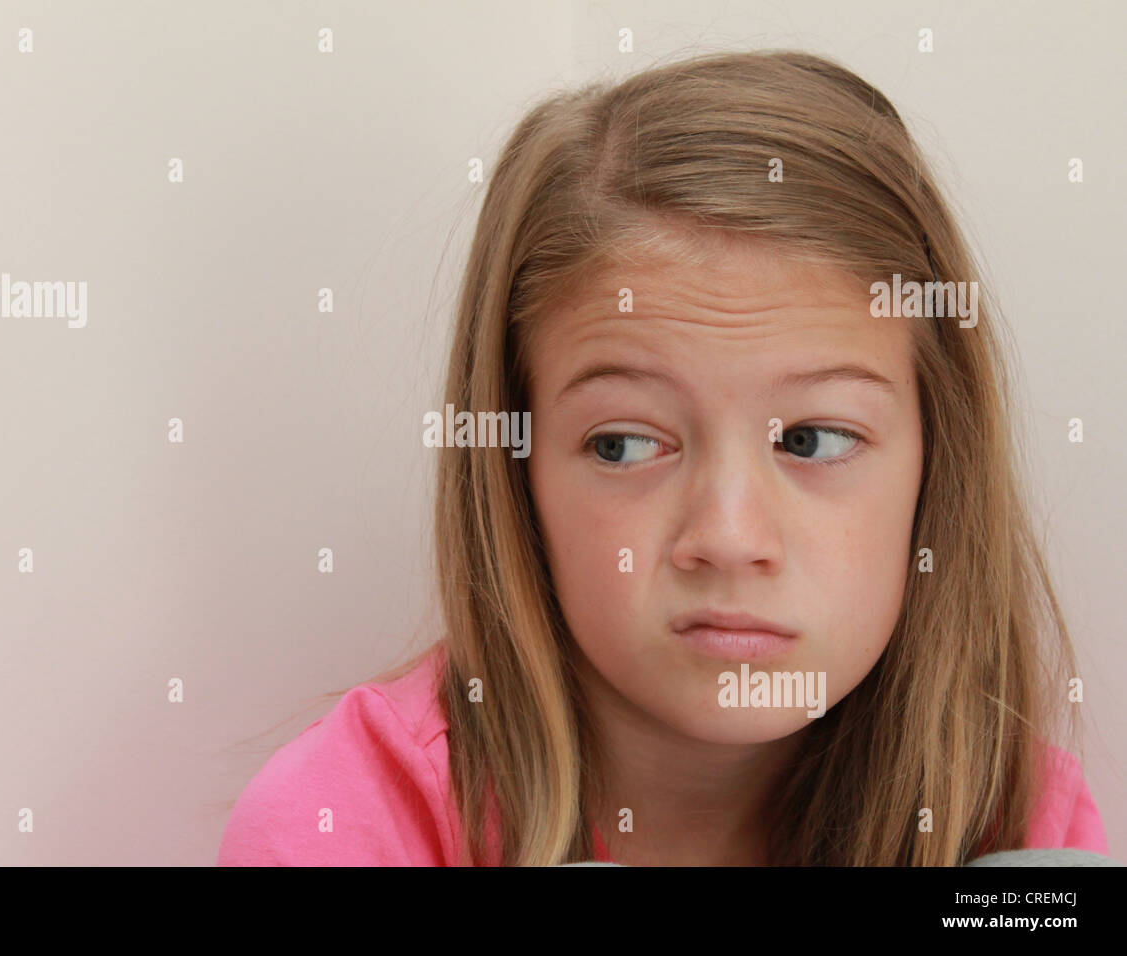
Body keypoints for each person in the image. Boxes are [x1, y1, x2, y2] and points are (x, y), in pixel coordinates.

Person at [218, 48, 1111, 866]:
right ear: (516, 474)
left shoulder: (1016, 824)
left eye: (813, 439)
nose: (727, 537)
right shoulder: (345, 829)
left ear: (935, 469)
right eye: (625, 444)